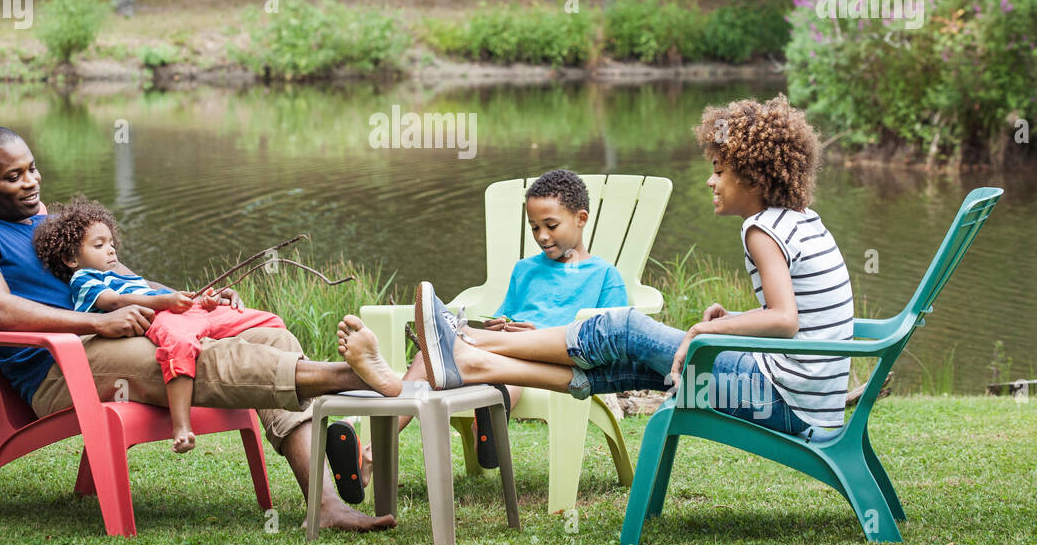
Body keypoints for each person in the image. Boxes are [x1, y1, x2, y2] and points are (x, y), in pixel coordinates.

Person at [0, 126, 402, 532]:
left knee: (270, 337)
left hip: (112, 336)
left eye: (32, 169)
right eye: (13, 176)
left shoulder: (55, 227)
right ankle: (354, 377)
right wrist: (98, 321)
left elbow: (123, 281)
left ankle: (325, 505)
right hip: (59, 366)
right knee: (200, 359)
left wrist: (193, 299)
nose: (31, 182)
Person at [337, 94, 855, 437]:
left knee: (621, 326)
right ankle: (475, 358)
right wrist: (733, 323)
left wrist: (702, 328)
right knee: (621, 363)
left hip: (784, 399)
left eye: (719, 171)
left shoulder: (761, 228)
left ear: (756, 175)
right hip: (806, 403)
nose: (710, 181)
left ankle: (470, 346)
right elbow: (802, 320)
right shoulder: (799, 220)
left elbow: (786, 321)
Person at [358, 169, 628, 484]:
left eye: (551, 226)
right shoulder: (525, 270)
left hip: (553, 359)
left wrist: (541, 338)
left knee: (506, 378)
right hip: (502, 352)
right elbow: (508, 317)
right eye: (534, 227)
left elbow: (610, 337)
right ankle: (371, 454)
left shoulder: (605, 275)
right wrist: (498, 325)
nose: (542, 236)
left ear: (580, 218)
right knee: (423, 360)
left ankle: (483, 426)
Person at [32, 194, 289, 455]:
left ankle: (295, 381)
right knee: (180, 345)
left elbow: (155, 290)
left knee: (267, 321)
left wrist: (203, 300)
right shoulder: (84, 279)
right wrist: (163, 301)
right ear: (71, 259)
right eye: (99, 245)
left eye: (111, 243)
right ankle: (181, 426)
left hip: (172, 310)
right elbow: (114, 302)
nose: (111, 250)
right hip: (157, 317)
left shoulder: (116, 273)